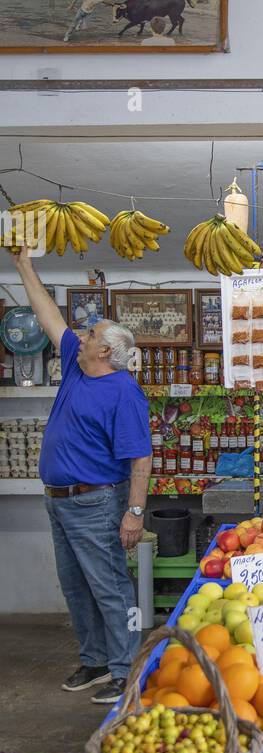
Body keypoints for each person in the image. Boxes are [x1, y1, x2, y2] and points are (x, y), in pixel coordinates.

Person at [8, 244, 152, 702]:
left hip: (95, 501)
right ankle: (95, 661)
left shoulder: (123, 392)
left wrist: (134, 513)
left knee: (110, 586)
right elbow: (48, 315)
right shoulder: (75, 366)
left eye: (90, 333)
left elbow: (141, 458)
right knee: (75, 586)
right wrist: (23, 265)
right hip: (59, 500)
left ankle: (126, 669)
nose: (80, 335)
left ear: (105, 349)